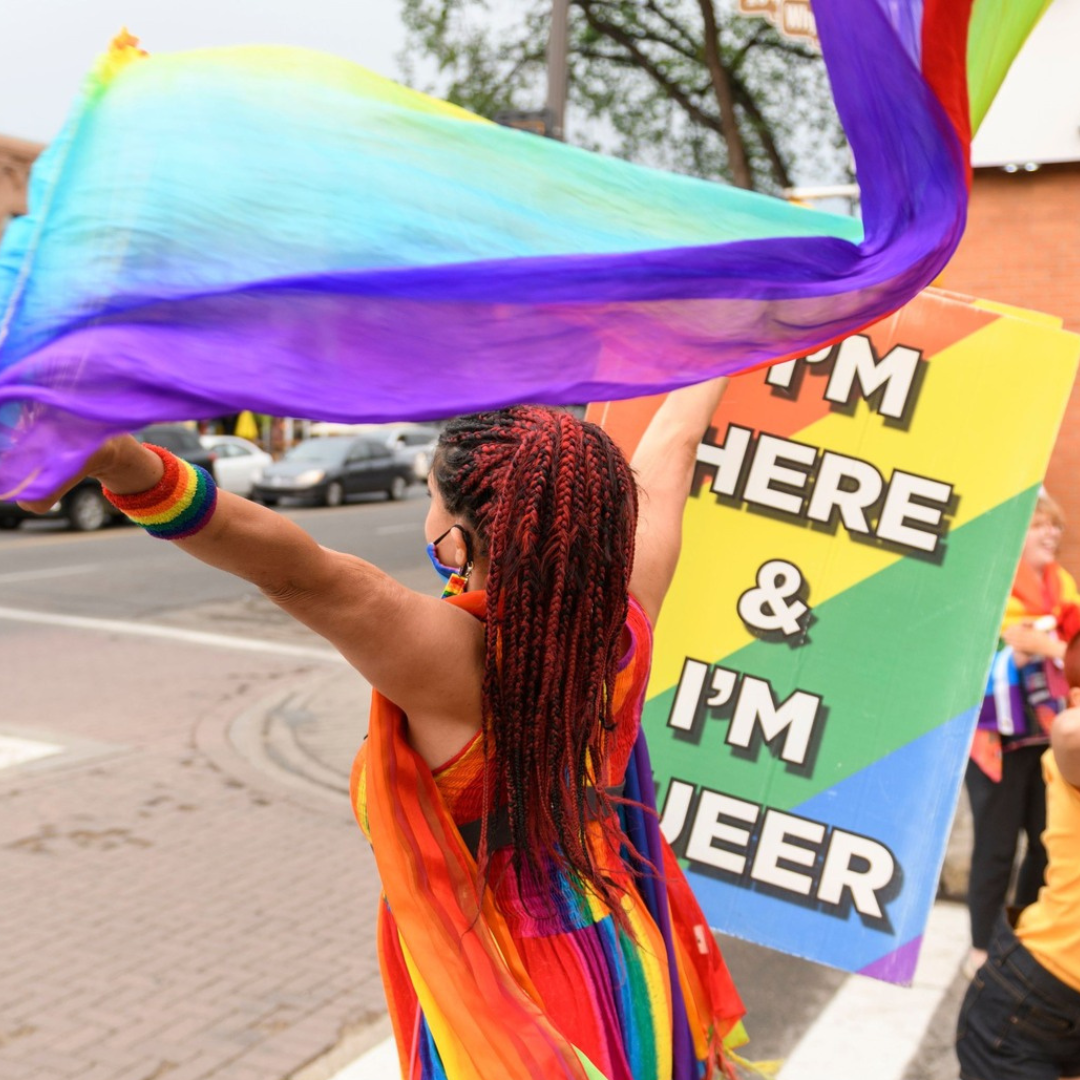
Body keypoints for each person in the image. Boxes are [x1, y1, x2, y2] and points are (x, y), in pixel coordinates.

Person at [20, 380, 745, 1080]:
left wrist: (122, 462)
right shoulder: (625, 619)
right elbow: (675, 441)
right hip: (627, 963)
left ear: (459, 537)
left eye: (430, 499)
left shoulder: (450, 662)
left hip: (504, 997)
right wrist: (752, 303)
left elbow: (294, 570)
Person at [955, 626, 1080, 1080]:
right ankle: (978, 946)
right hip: (1029, 1003)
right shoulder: (1072, 738)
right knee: (995, 852)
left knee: (1025, 851)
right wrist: (1049, 648)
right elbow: (1070, 731)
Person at [966, 492, 1079, 973]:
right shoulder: (990, 588)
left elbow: (1070, 651)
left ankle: (1024, 936)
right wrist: (1019, 651)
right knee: (995, 846)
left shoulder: (1064, 586)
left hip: (1051, 743)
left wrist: (1043, 643)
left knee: (1045, 841)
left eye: (1055, 526)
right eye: (1040, 526)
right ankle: (980, 949)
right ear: (1018, 534)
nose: (1051, 534)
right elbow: (968, 655)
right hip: (996, 743)